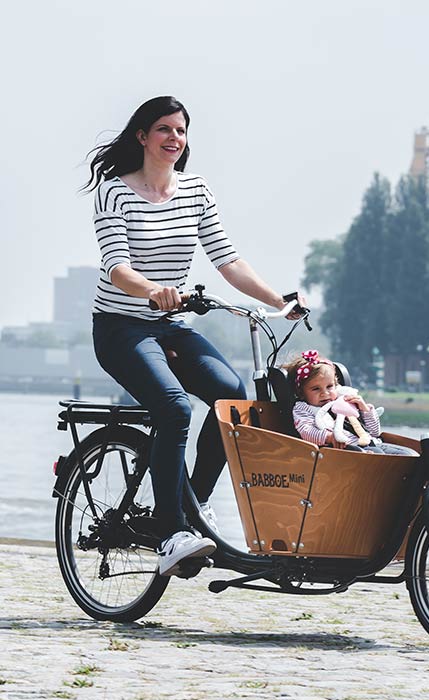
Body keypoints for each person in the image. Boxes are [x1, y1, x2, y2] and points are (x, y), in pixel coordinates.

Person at [84, 96, 306, 577]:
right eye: (163, 129)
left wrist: (278, 301)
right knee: (175, 407)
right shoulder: (115, 193)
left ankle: (195, 507)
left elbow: (228, 260)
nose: (173, 139)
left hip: (171, 325)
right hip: (121, 327)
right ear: (142, 136)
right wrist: (152, 290)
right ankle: (171, 532)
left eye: (181, 131)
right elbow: (116, 266)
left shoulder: (197, 191)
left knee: (232, 396)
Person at [285, 350, 417, 455]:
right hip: (343, 452)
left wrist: (365, 410)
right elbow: (306, 431)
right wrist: (330, 437)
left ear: (336, 385)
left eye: (329, 387)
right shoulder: (304, 408)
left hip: (373, 443)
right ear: (302, 392)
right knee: (378, 455)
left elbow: (375, 432)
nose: (324, 393)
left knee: (409, 455)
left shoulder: (345, 400)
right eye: (316, 389)